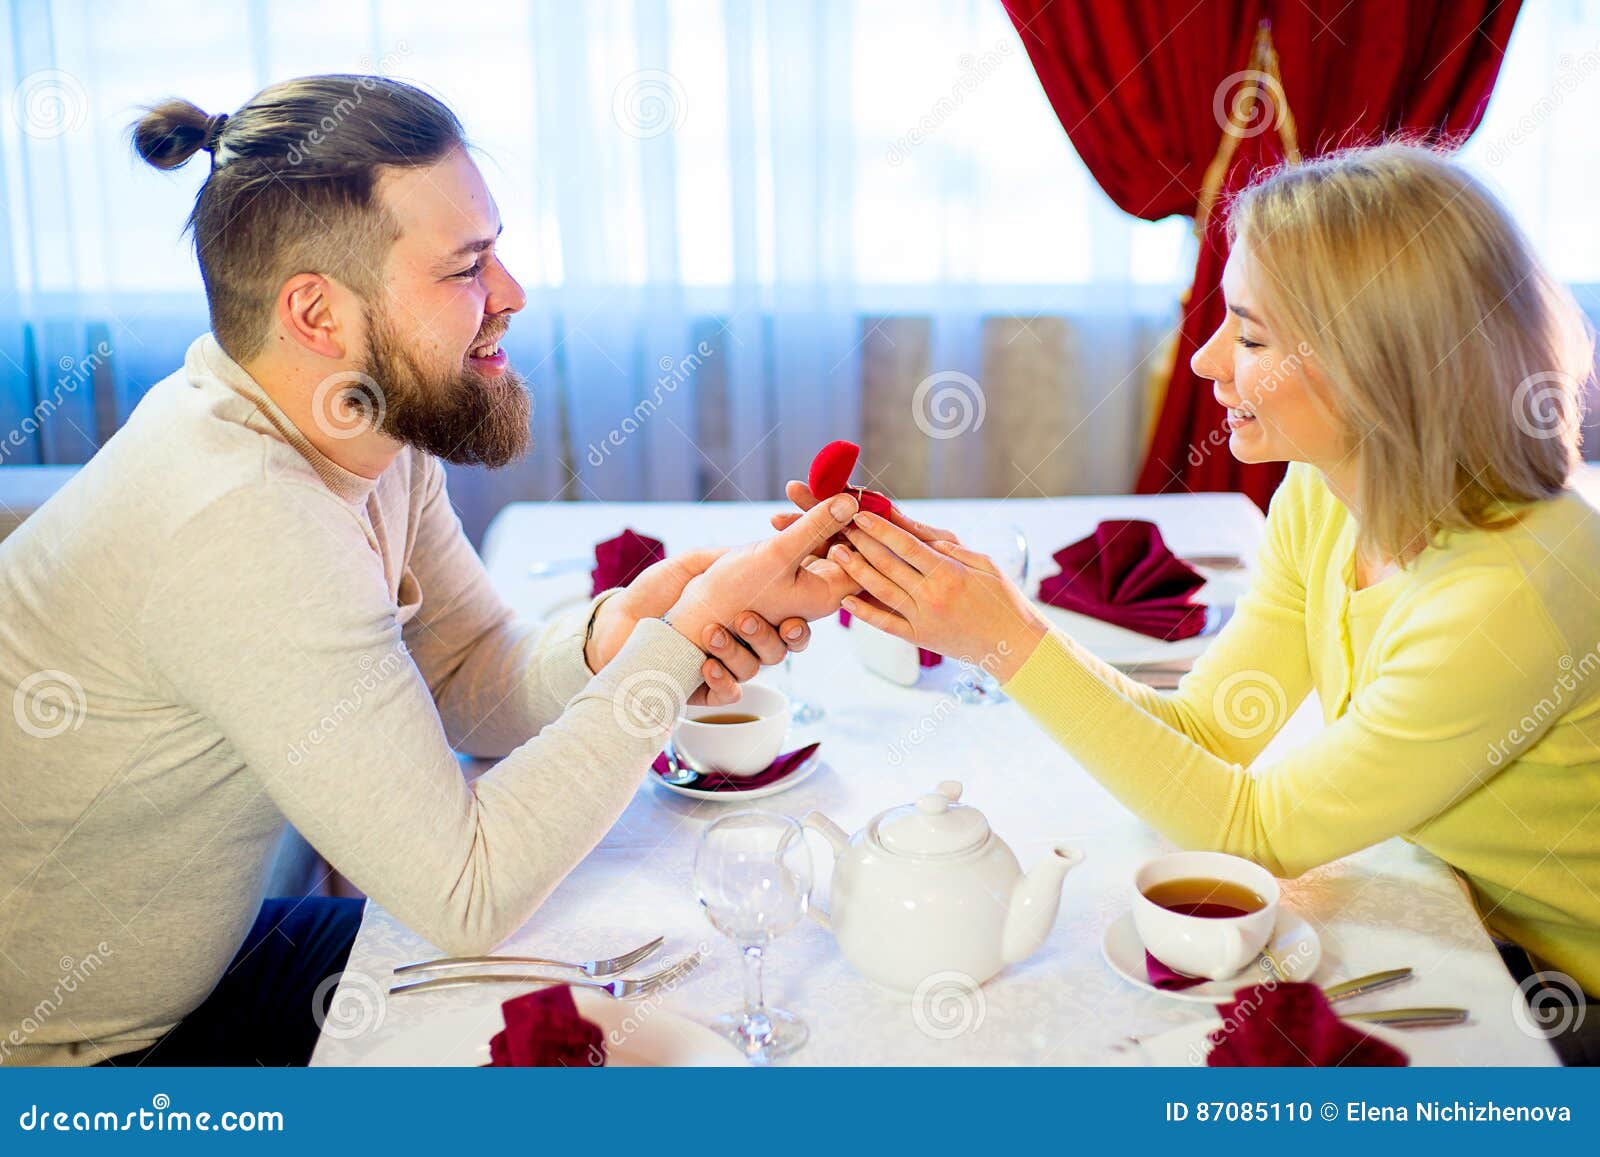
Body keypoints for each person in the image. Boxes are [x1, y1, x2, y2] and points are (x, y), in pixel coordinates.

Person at [0, 75, 857, 1067]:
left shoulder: (365, 428)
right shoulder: (242, 519)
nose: (512, 294)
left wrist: (627, 630)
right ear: (318, 314)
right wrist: (670, 654)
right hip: (76, 1059)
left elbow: (467, 674)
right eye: (466, 267)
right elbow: (467, 893)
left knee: (645, 987)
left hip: (207, 973)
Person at [795, 144, 1600, 1063]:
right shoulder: (1324, 491)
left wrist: (1005, 640)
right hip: (1461, 907)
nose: (1209, 359)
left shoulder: (1512, 590)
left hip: (1558, 987)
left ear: (1382, 370)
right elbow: (1213, 735)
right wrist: (990, 616)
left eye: (1252, 336)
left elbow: (1253, 834)